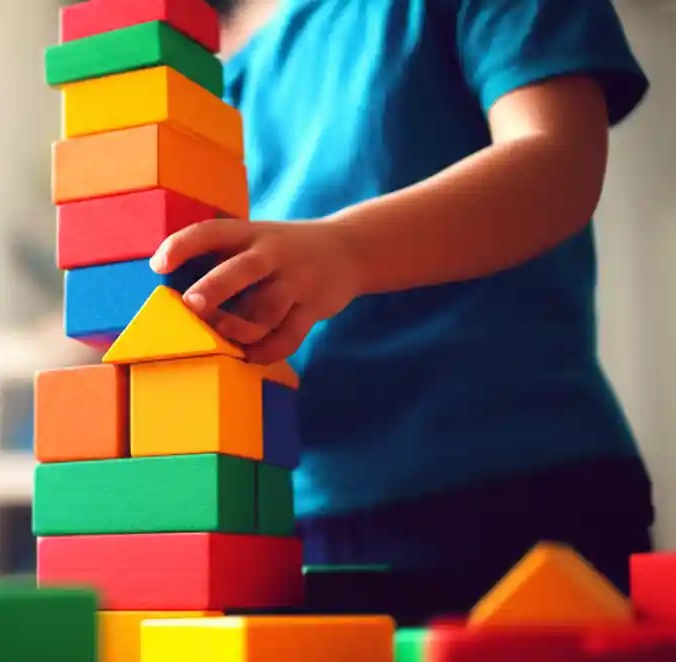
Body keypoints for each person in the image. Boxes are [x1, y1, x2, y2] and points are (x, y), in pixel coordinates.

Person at [152, 0, 655, 618]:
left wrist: (344, 251)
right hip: (300, 518)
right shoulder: (222, 68)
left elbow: (558, 163)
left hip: (518, 492)